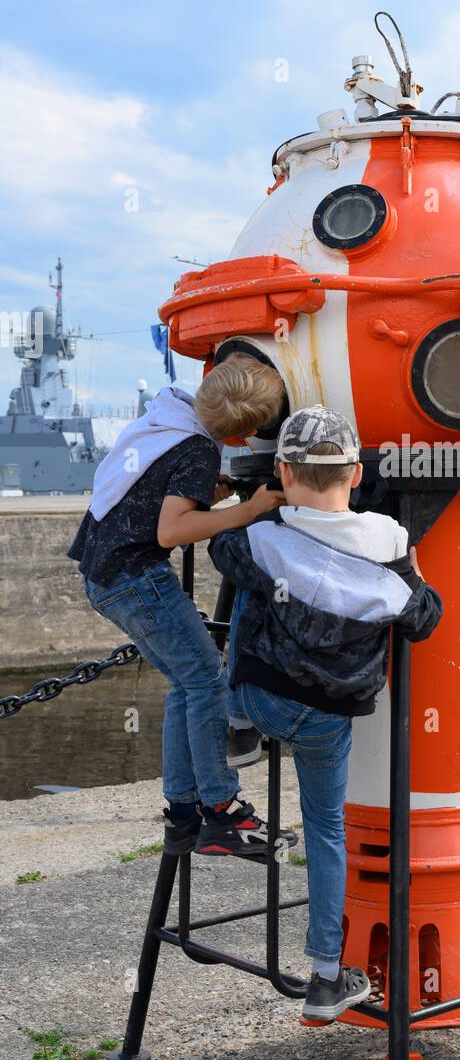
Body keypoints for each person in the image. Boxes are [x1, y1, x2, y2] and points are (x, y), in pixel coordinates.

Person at [209, 404, 442, 1023]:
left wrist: (257, 505)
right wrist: (410, 568)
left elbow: (221, 553)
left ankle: (235, 733)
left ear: (283, 472)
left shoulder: (263, 537)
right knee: (325, 832)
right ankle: (324, 979)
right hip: (329, 717)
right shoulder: (389, 544)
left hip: (262, 697)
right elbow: (423, 617)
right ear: (358, 472)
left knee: (235, 617)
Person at [68, 355, 295, 859]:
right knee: (209, 681)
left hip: (104, 575)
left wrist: (201, 497)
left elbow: (149, 495)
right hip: (138, 579)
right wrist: (250, 508)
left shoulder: (165, 419)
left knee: (188, 684)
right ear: (243, 434)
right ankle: (220, 812)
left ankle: (182, 809)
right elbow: (170, 531)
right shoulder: (197, 448)